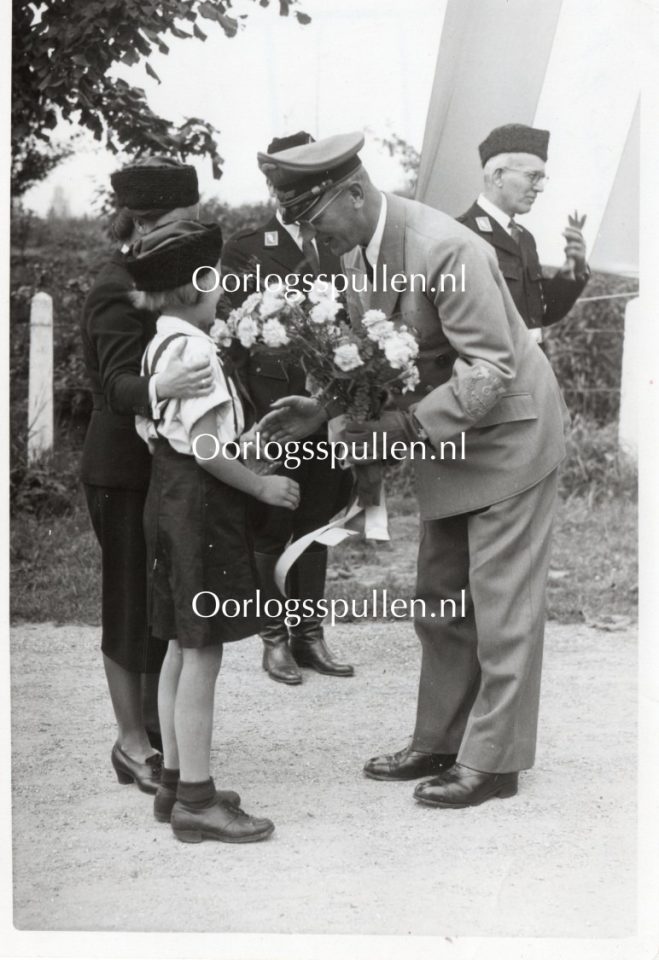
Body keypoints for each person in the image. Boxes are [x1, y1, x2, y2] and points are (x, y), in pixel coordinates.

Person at [257, 131, 568, 809]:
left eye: (313, 219)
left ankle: (494, 762)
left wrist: (395, 430)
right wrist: (321, 408)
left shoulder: (446, 249)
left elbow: (490, 371)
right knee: (440, 600)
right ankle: (440, 739)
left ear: (355, 193)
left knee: (500, 607)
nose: (308, 236)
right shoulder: (351, 251)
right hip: (449, 438)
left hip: (509, 435)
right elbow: (376, 354)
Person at [126, 219, 300, 843]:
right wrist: (260, 483)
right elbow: (204, 447)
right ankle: (198, 801)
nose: (224, 283)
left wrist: (249, 440)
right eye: (218, 273)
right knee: (204, 651)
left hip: (169, 499)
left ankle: (176, 782)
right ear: (199, 283)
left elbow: (177, 436)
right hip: (201, 508)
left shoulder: (161, 344)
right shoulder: (196, 349)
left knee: (179, 641)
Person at [81, 157, 215, 794]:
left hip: (165, 466)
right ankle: (130, 742)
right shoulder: (117, 282)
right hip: (121, 472)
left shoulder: (174, 273)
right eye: (185, 222)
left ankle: (155, 730)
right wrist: (164, 385)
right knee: (128, 602)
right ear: (151, 220)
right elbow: (112, 385)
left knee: (158, 600)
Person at [221, 131, 354, 685]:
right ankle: (273, 638)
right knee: (270, 525)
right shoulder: (246, 246)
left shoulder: (338, 244)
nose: (286, 190)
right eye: (280, 180)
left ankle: (309, 635)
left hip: (323, 412)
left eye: (299, 181)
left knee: (316, 524)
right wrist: (249, 424)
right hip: (271, 414)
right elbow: (229, 340)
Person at [456, 124, 589, 343]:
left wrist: (572, 270)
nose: (540, 188)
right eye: (532, 176)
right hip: (492, 371)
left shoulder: (525, 238)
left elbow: (541, 315)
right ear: (498, 176)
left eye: (542, 178)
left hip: (531, 367)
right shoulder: (462, 234)